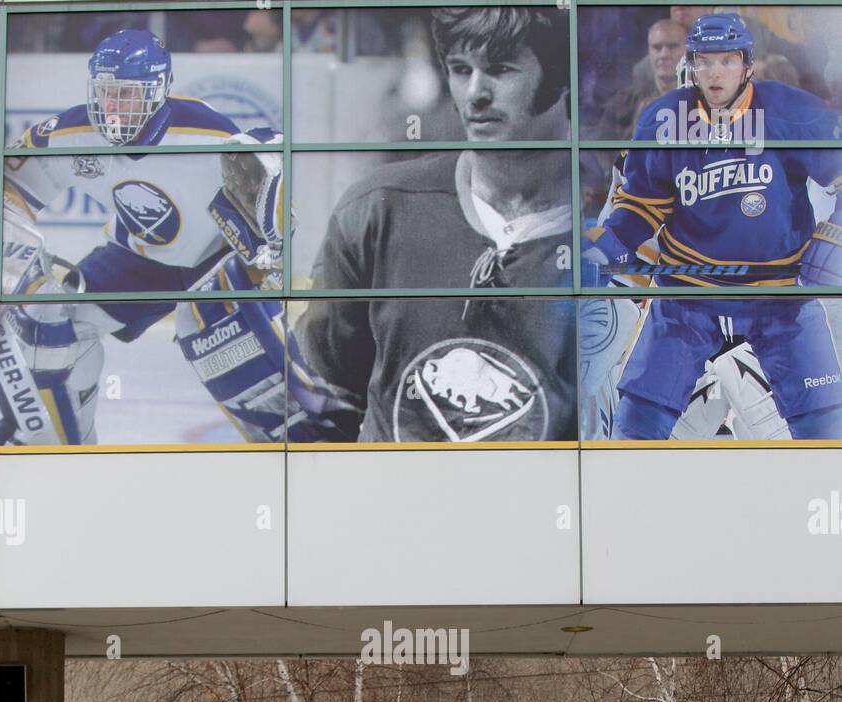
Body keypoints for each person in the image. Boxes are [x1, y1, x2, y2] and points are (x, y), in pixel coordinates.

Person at [0, 27, 291, 445]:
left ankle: (296, 453)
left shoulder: (210, 135)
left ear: (158, 89)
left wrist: (269, 248)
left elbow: (265, 200)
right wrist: (4, 261)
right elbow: (7, 185)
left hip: (213, 260)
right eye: (105, 93)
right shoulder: (72, 133)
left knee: (249, 367)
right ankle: (60, 454)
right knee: (48, 323)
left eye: (126, 94)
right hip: (137, 260)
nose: (113, 108)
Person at [297, 5, 576, 444]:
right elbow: (324, 399)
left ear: (562, 77)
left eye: (501, 70)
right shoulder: (377, 209)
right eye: (460, 69)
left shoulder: (614, 228)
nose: (474, 94)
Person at [584, 13, 842, 442]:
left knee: (826, 429)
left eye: (726, 60)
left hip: (778, 295)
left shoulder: (788, 110)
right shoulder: (663, 120)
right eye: (705, 61)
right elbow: (639, 211)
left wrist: (834, 232)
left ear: (747, 65)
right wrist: (603, 249)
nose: (715, 72)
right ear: (691, 66)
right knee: (635, 428)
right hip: (688, 295)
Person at [597, 18, 687, 141]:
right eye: (657, 47)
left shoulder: (703, 101)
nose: (664, 54)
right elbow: (603, 151)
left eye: (672, 47)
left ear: (687, 52)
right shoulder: (623, 103)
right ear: (649, 52)